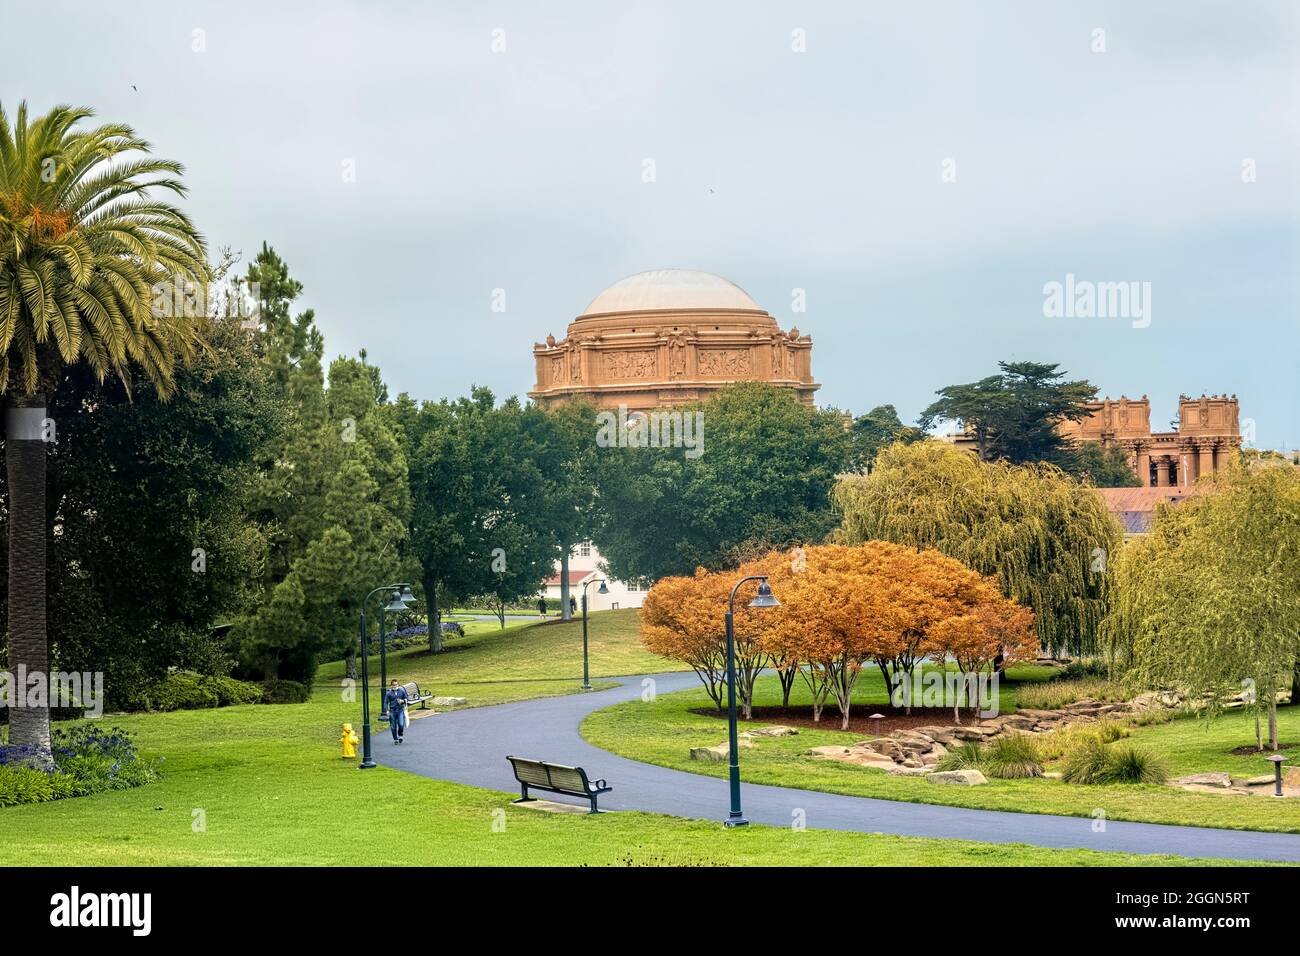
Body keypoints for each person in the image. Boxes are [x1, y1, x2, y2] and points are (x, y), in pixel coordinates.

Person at [384, 679, 409, 744]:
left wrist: (402, 701)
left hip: (400, 710)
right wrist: (387, 710)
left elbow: (406, 698)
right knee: (393, 726)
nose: (394, 686)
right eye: (393, 685)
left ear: (398, 685)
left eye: (396, 685)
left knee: (401, 724)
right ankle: (395, 739)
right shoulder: (389, 693)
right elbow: (386, 702)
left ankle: (400, 735)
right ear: (391, 685)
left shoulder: (401, 691)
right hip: (392, 710)